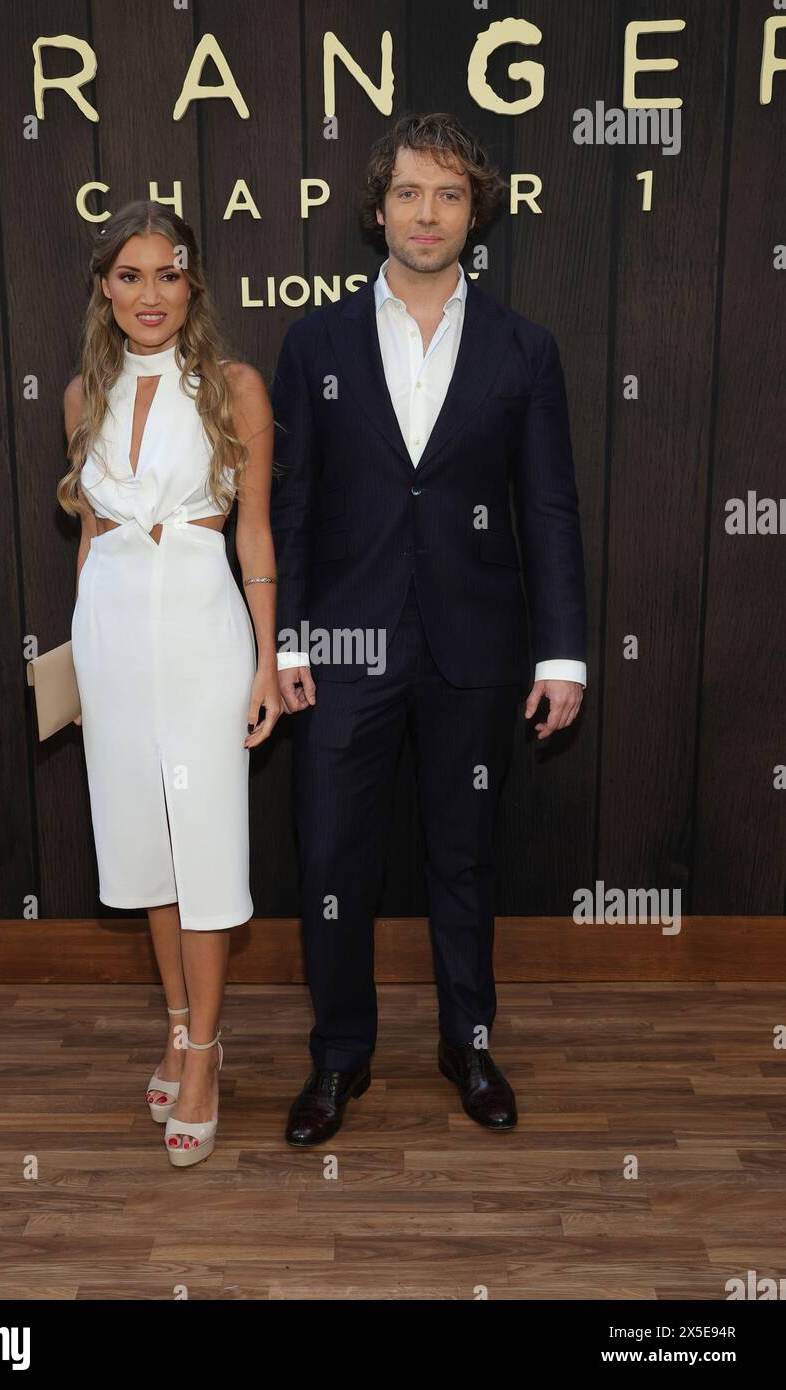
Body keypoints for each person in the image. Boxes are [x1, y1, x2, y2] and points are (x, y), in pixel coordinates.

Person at [270, 113, 587, 1145]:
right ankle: (338, 1059)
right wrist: (285, 643)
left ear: (474, 213)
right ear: (376, 209)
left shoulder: (523, 347)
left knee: (465, 854)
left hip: (474, 651)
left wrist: (563, 650)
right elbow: (293, 506)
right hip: (342, 649)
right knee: (333, 863)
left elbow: (546, 508)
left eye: (449, 194)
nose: (426, 212)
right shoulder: (312, 341)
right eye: (409, 192)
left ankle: (469, 1040)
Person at [58, 201, 282, 1167]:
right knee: (143, 844)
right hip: (110, 636)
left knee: (204, 848)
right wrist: (77, 660)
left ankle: (203, 1057)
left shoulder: (233, 388)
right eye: (130, 275)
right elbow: (90, 537)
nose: (150, 294)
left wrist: (268, 660)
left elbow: (256, 534)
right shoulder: (79, 397)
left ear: (192, 284)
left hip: (200, 630)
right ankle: (183, 1022)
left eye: (168, 274)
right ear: (105, 289)